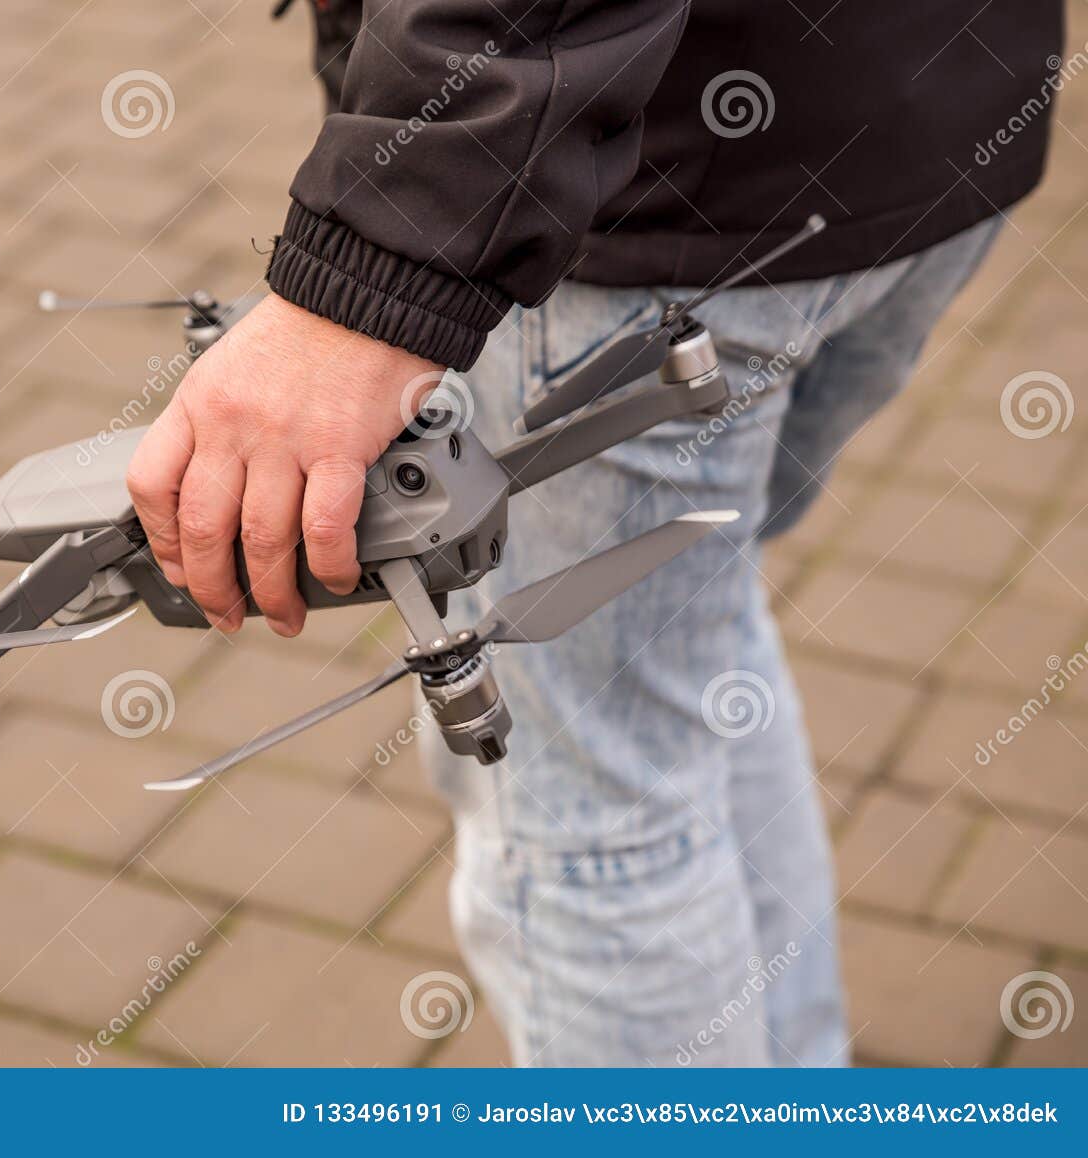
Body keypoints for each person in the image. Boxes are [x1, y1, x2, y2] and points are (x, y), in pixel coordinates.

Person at [125, 1, 1065, 1065]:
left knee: (591, 814)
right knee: (680, 664)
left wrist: (374, 272)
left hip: (643, 208)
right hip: (924, 124)